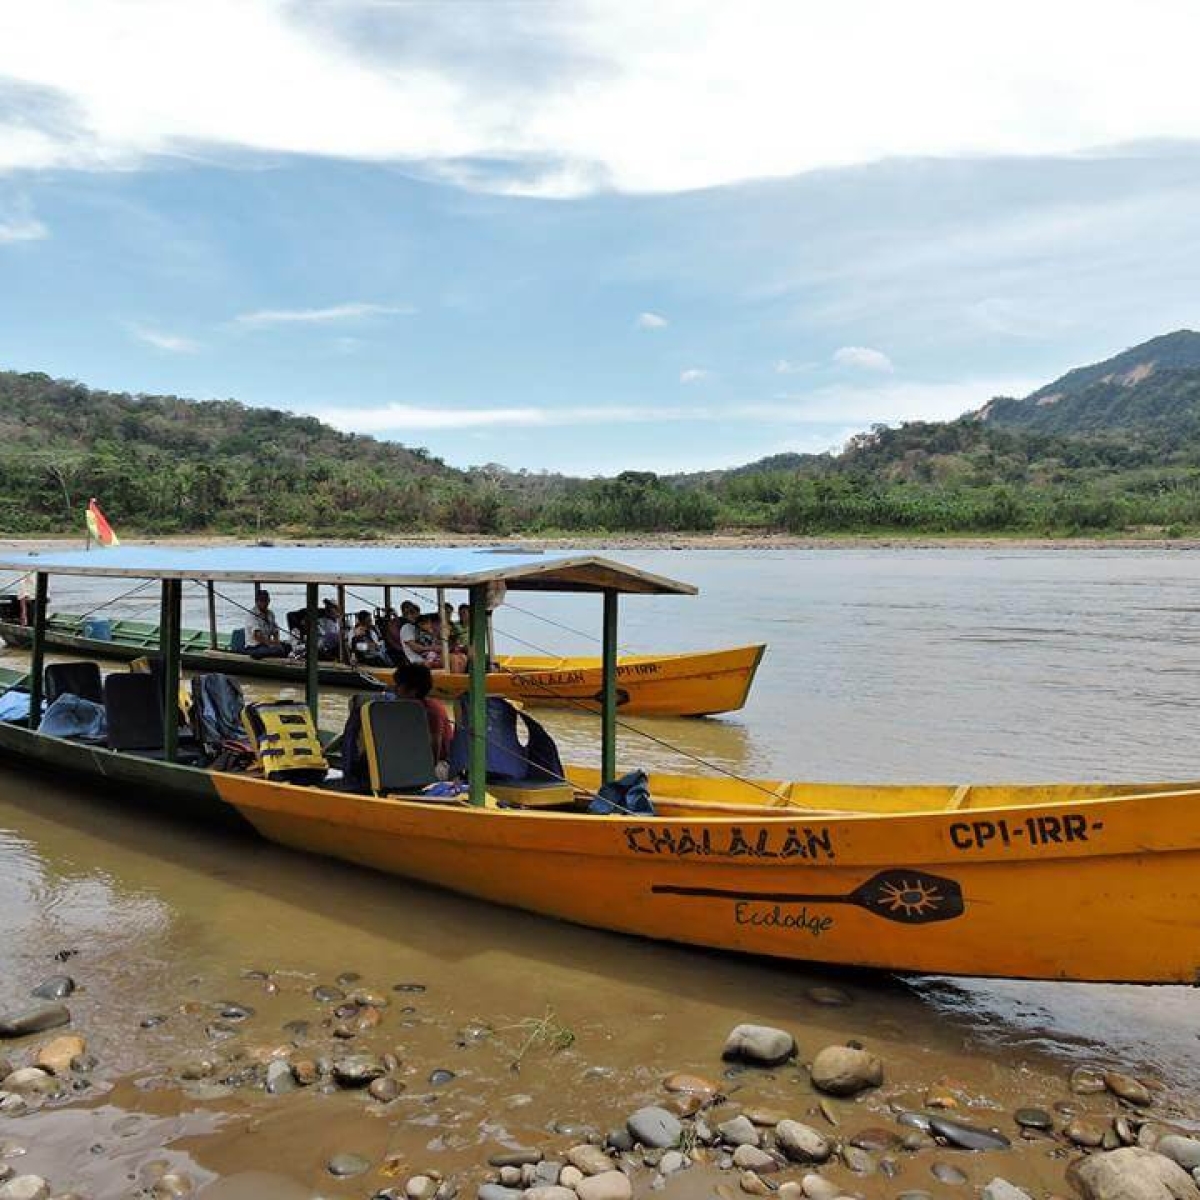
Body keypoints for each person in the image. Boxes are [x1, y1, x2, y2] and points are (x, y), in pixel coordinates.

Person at [392, 661, 453, 765]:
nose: (394, 689)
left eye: (398, 686)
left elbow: (434, 754)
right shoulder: (408, 707)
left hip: (440, 763)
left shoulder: (431, 711)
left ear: (412, 691)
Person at [244, 590, 290, 659]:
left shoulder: (270, 614)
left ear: (269, 600)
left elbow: (275, 631)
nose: (264, 603)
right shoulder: (252, 615)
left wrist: (277, 642)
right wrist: (271, 644)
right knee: (277, 650)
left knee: (288, 647)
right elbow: (257, 636)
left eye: (266, 600)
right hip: (254, 647)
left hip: (265, 646)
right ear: (256, 601)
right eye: (261, 600)